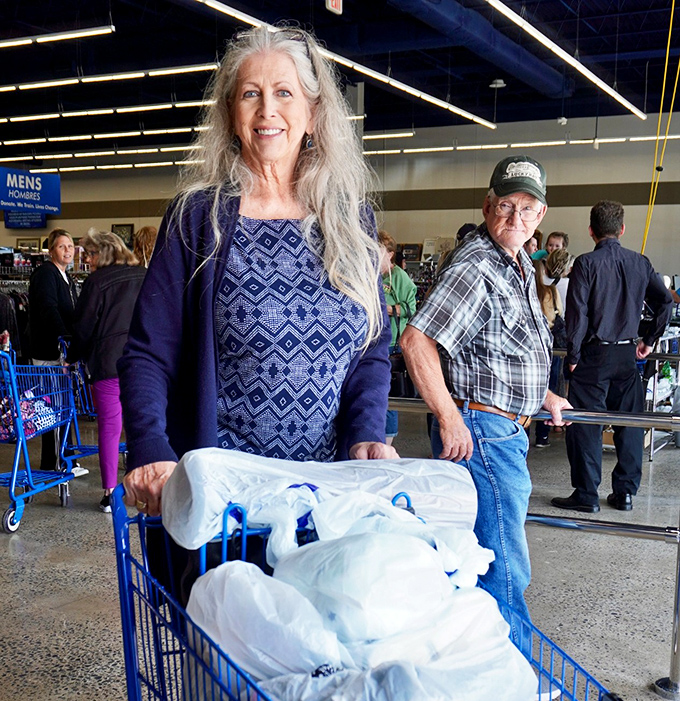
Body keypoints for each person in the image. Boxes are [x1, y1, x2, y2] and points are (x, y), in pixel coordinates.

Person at [119, 26, 395, 519]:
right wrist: (149, 444)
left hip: (325, 499)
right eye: (251, 94)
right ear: (231, 115)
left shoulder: (350, 220)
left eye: (284, 93)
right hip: (225, 504)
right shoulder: (198, 218)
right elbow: (147, 352)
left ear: (312, 113)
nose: (268, 109)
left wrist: (367, 431)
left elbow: (371, 348)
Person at [401, 155, 571, 624]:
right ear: (487, 205)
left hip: (503, 426)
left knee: (489, 555)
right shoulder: (476, 264)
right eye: (506, 206)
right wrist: (450, 417)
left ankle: (494, 667)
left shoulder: (513, 262)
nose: (516, 218)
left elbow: (499, 347)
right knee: (505, 563)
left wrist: (543, 393)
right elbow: (416, 342)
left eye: (528, 208)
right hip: (484, 432)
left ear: (541, 214)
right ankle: (513, 675)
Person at [552, 200, 672, 514]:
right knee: (629, 424)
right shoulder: (640, 262)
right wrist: (648, 340)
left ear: (591, 231)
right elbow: (665, 304)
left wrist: (573, 356)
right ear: (622, 229)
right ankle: (625, 494)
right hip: (627, 355)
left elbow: (577, 314)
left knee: (585, 425)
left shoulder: (586, 264)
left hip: (594, 354)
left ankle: (587, 494)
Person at [69, 229, 146, 512]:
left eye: (89, 254)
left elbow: (84, 327)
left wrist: (73, 356)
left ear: (102, 253)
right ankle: (144, 487)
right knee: (142, 424)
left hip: (108, 364)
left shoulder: (96, 282)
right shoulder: (144, 275)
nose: (87, 260)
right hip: (142, 362)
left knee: (110, 429)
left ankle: (110, 493)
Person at [28, 229, 87, 476]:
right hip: (48, 351)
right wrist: (66, 338)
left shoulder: (67, 278)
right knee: (51, 406)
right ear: (51, 250)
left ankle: (65, 457)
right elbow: (48, 310)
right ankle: (54, 460)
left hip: (62, 354)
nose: (68, 250)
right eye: (62, 246)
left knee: (64, 404)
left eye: (71, 246)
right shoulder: (46, 273)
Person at [378, 229, 417, 443]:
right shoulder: (372, 275)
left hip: (391, 345)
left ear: (390, 253)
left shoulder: (400, 278)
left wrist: (386, 308)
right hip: (373, 342)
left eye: (378, 250)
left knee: (389, 397)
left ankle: (388, 441)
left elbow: (410, 308)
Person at [533, 256, 565, 448]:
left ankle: (523, 428)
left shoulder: (521, 290)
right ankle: (543, 436)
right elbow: (558, 312)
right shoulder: (551, 291)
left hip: (529, 346)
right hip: (550, 345)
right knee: (550, 387)